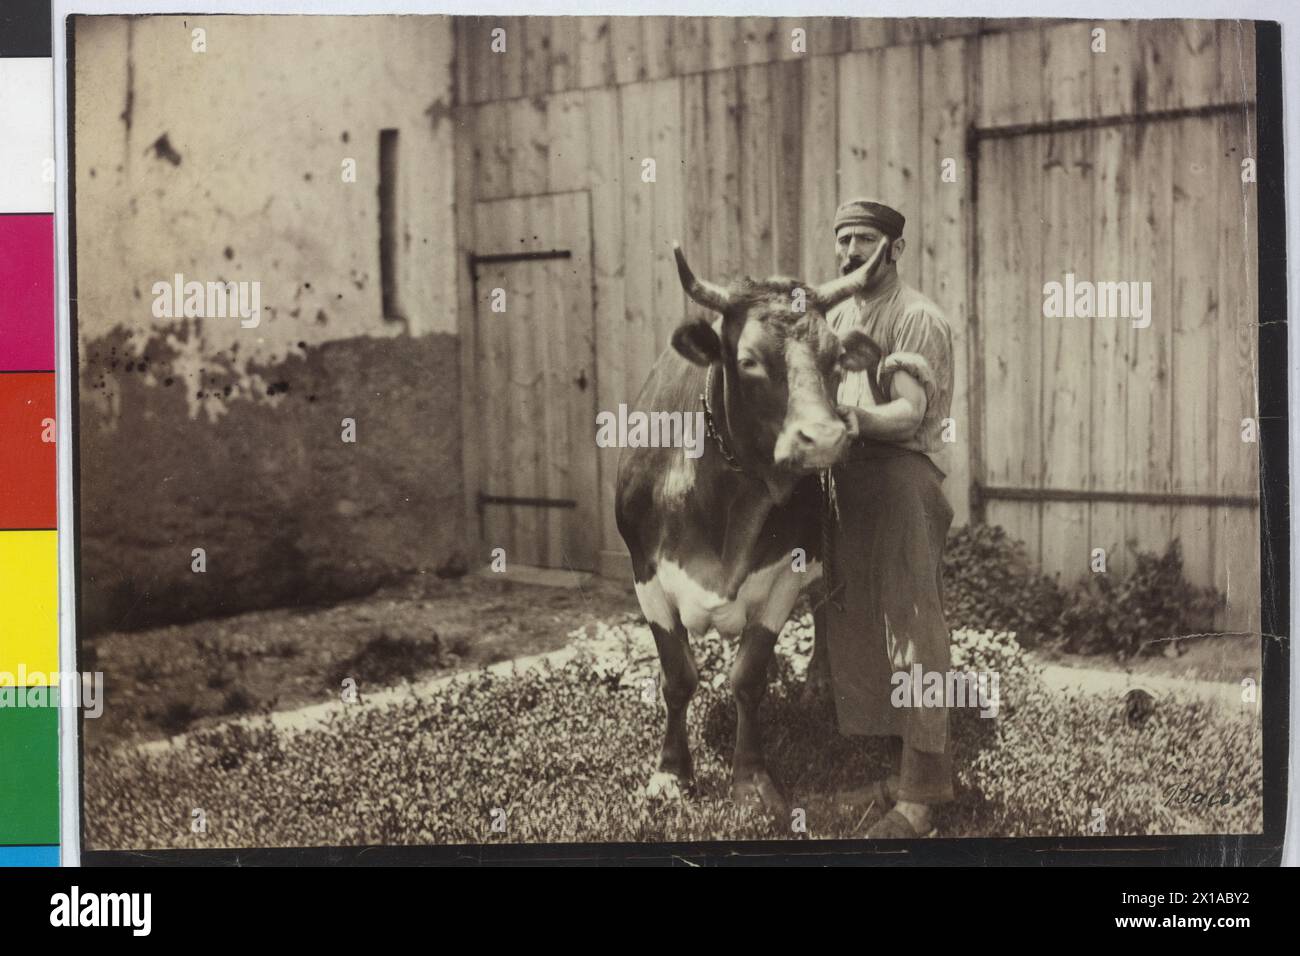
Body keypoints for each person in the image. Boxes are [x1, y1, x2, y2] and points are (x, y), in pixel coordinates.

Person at [817, 197, 956, 838]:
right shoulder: (839, 315)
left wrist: (855, 420)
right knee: (857, 627)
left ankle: (922, 799)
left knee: (914, 628)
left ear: (894, 248)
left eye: (864, 239)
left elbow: (909, 413)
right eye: (843, 239)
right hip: (848, 481)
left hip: (902, 481)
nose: (850, 252)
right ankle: (887, 777)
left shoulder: (916, 317)